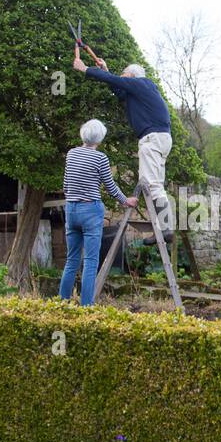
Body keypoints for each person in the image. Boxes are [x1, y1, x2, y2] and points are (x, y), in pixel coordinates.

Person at [72, 46, 174, 242]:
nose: (122, 76)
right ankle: (163, 227)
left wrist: (85, 69)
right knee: (156, 184)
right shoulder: (142, 91)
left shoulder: (142, 83)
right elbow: (119, 90)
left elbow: (116, 82)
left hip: (152, 139)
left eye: (124, 74)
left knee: (152, 184)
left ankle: (166, 228)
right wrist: (105, 70)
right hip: (160, 139)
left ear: (132, 76)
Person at [59, 119, 137, 306]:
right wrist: (125, 200)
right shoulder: (100, 158)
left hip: (71, 208)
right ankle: (87, 307)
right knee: (91, 261)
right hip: (90, 210)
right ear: (99, 139)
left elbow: (65, 185)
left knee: (71, 260)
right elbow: (110, 186)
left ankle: (61, 303)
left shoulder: (71, 154)